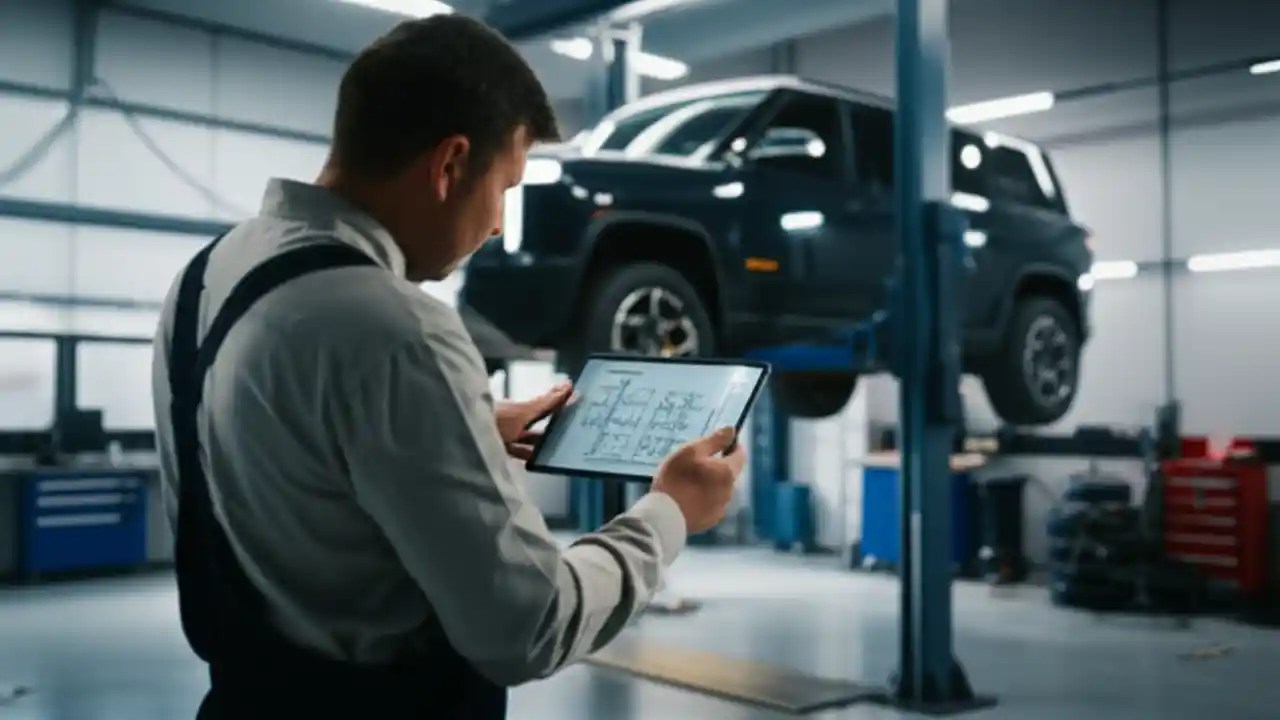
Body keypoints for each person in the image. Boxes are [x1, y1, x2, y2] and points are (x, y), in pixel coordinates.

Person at [150, 14, 746, 719]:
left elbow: (279, 459)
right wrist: (669, 511)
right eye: (505, 188)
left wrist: (455, 429)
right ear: (450, 165)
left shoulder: (204, 278)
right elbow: (528, 627)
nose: (496, 224)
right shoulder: (401, 330)